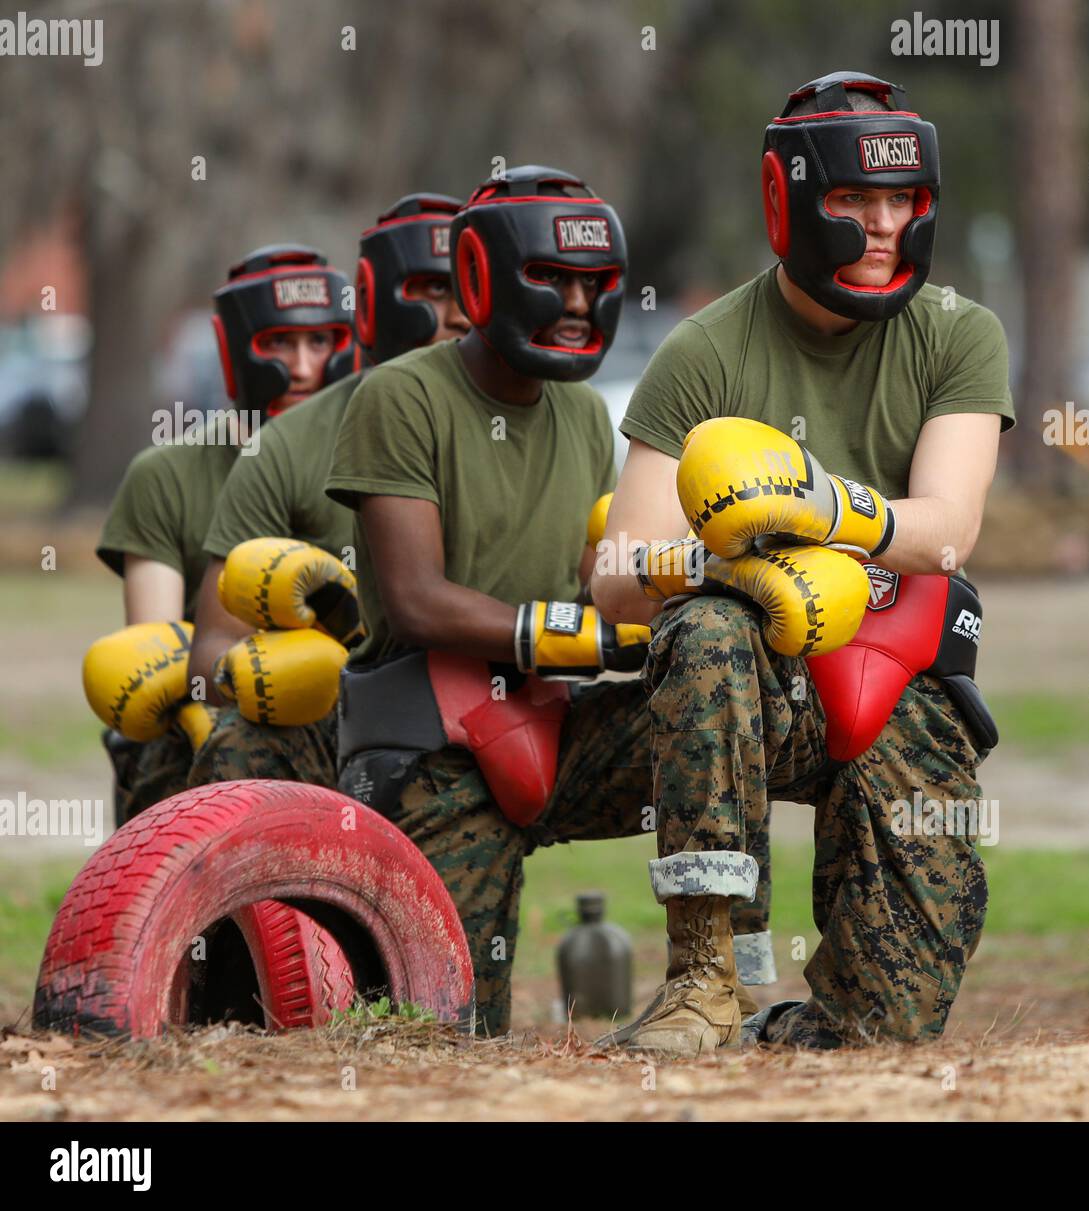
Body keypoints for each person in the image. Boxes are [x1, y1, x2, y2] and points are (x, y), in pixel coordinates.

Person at [590, 71, 1015, 1052]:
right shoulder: (703, 351)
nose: (880, 225)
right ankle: (710, 976)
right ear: (788, 199)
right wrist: (730, 563)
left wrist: (820, 506)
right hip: (744, 686)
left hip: (895, 680)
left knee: (885, 1027)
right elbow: (616, 574)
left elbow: (949, 527)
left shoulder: (957, 332)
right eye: (852, 199)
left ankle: (792, 1021)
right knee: (703, 627)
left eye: (901, 200)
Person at [325, 166, 779, 1037]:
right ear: (484, 277)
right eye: (555, 280)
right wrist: (564, 632)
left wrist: (712, 589)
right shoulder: (402, 395)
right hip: (432, 746)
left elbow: (592, 588)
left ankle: (725, 975)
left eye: (596, 285)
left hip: (552, 722)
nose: (578, 303)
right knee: (442, 1032)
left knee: (735, 693)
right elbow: (416, 600)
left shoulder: (580, 416)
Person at [185, 195, 471, 788]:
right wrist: (268, 673)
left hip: (492, 710)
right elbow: (210, 650)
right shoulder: (287, 448)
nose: (454, 315)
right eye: (428, 291)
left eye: (463, 288)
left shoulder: (553, 422)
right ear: (375, 300)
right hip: (347, 720)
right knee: (240, 744)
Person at [92, 246, 356, 822]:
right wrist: (220, 702)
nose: (305, 367)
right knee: (161, 744)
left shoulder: (372, 464)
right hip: (213, 715)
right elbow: (154, 648)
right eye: (280, 344)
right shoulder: (166, 473)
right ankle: (183, 906)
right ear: (236, 347)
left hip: (350, 713)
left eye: (321, 343)